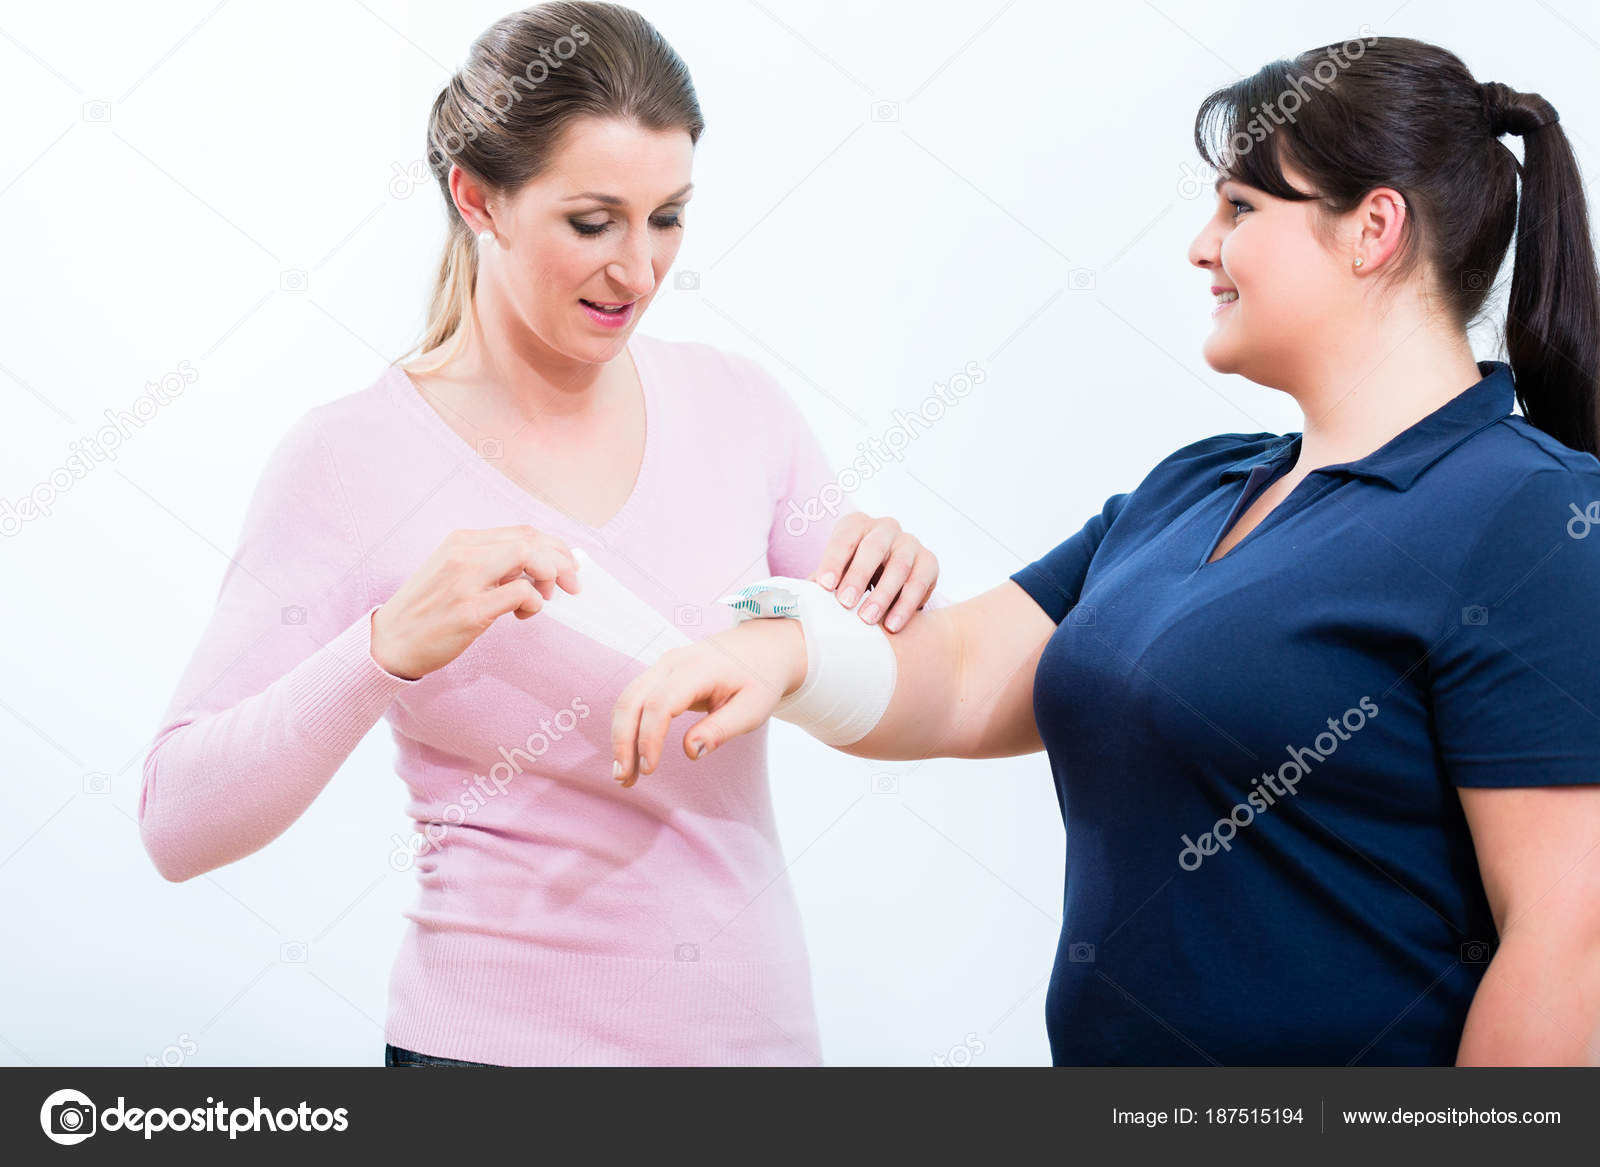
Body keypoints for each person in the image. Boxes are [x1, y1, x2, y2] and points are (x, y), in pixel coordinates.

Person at [610, 36, 1600, 1066]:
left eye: (1241, 209)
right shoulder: (1193, 491)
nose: (1200, 246)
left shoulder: (1529, 511)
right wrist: (782, 646)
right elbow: (951, 680)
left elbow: (1567, 946)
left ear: (1374, 230)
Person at [138, 1, 942, 1068]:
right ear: (477, 197)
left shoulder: (740, 410)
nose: (640, 270)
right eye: (591, 221)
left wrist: (881, 591)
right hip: (490, 1069)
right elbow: (176, 824)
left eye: (668, 217)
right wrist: (379, 648)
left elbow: (906, 691)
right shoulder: (348, 459)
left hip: (758, 1055)